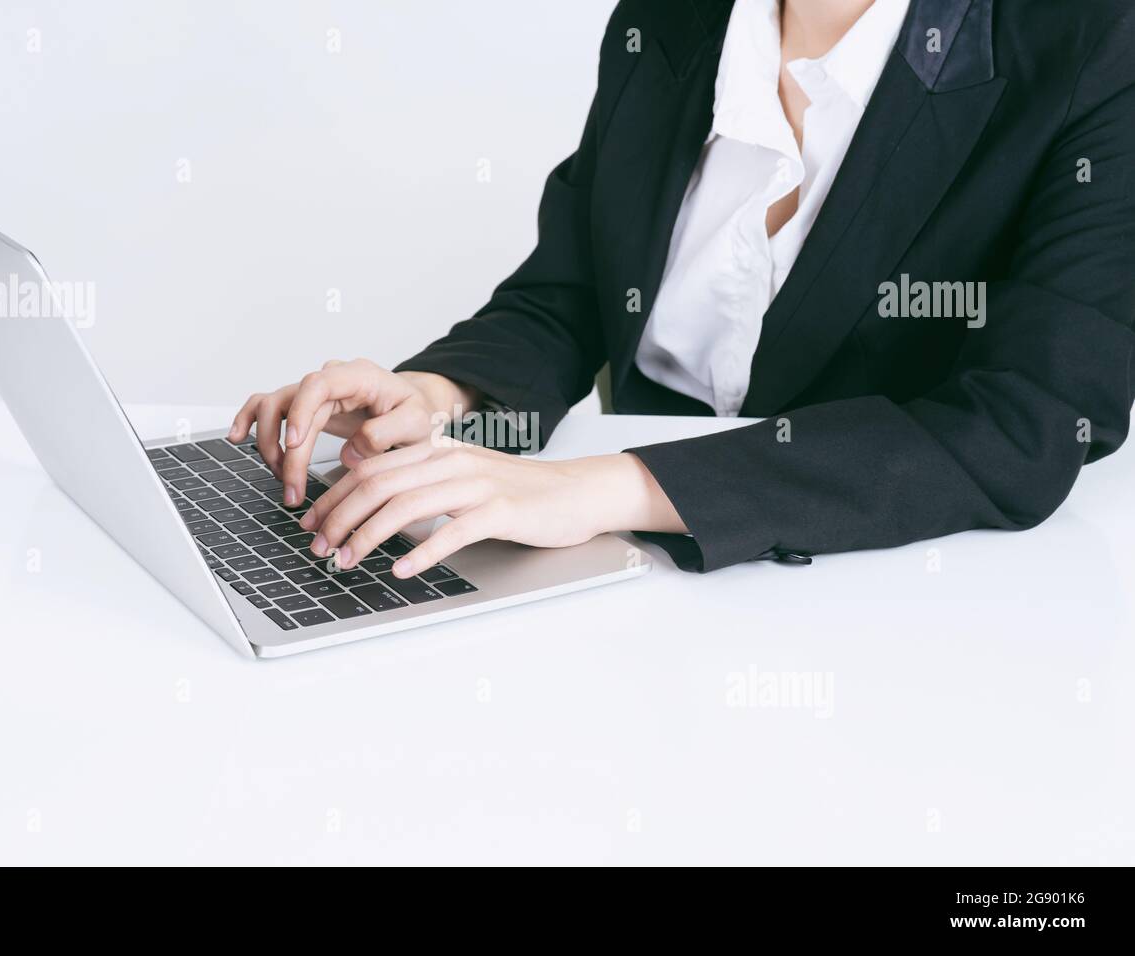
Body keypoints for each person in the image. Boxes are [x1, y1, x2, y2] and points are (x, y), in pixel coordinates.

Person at [229, 0, 1135, 579]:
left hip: (907, 595)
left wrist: (605, 488)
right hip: (627, 579)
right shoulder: (667, 20)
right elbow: (576, 292)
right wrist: (438, 398)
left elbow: (1030, 426)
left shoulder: (1092, 45)